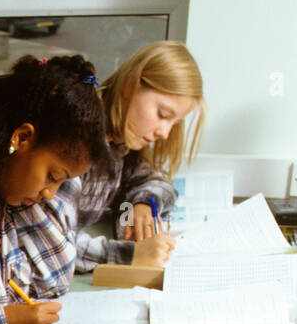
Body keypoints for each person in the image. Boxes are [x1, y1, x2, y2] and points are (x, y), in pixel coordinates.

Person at [0, 53, 110, 324]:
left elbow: (52, 282)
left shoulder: (2, 197)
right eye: (52, 176)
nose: (50, 194)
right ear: (21, 138)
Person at [53, 40, 204, 272]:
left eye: (174, 122)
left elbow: (155, 181)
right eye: (162, 114)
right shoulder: (75, 139)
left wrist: (143, 202)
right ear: (129, 86)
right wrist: (131, 255)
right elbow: (54, 241)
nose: (164, 133)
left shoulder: (120, 143)